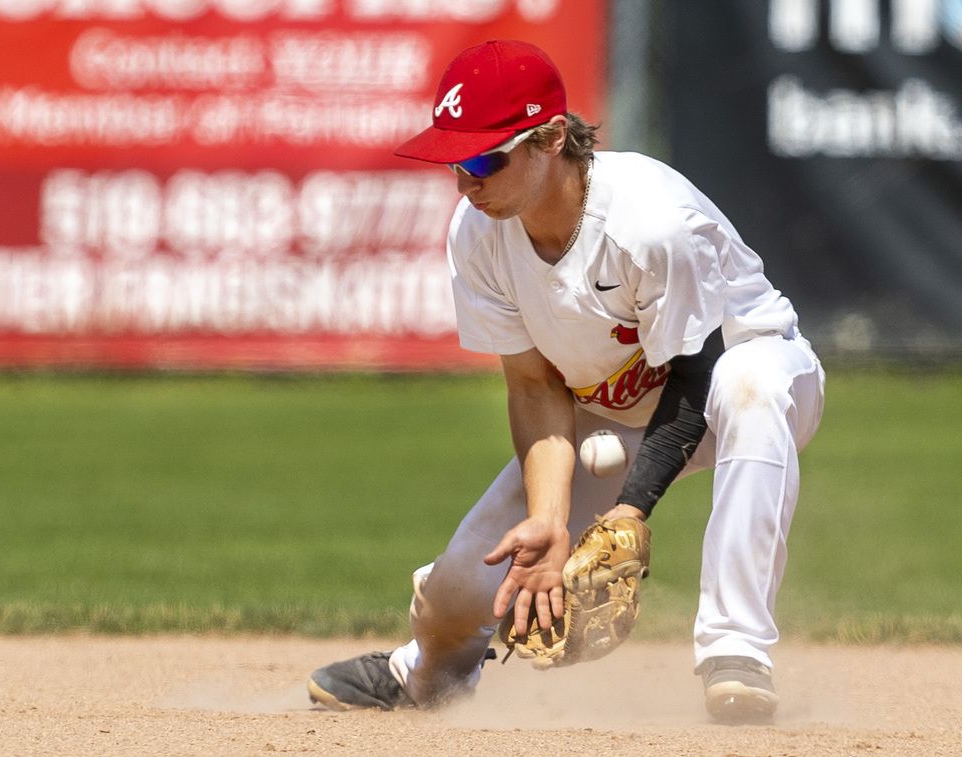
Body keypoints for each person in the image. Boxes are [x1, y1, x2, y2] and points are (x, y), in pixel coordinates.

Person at [307, 39, 825, 722]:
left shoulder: (650, 222)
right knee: (462, 588)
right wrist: (550, 523)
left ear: (551, 138)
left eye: (484, 158)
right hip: (610, 414)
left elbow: (696, 375)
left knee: (746, 388)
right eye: (455, 160)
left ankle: (737, 650)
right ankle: (425, 671)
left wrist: (629, 511)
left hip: (746, 373)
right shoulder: (478, 233)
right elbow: (533, 385)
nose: (467, 181)